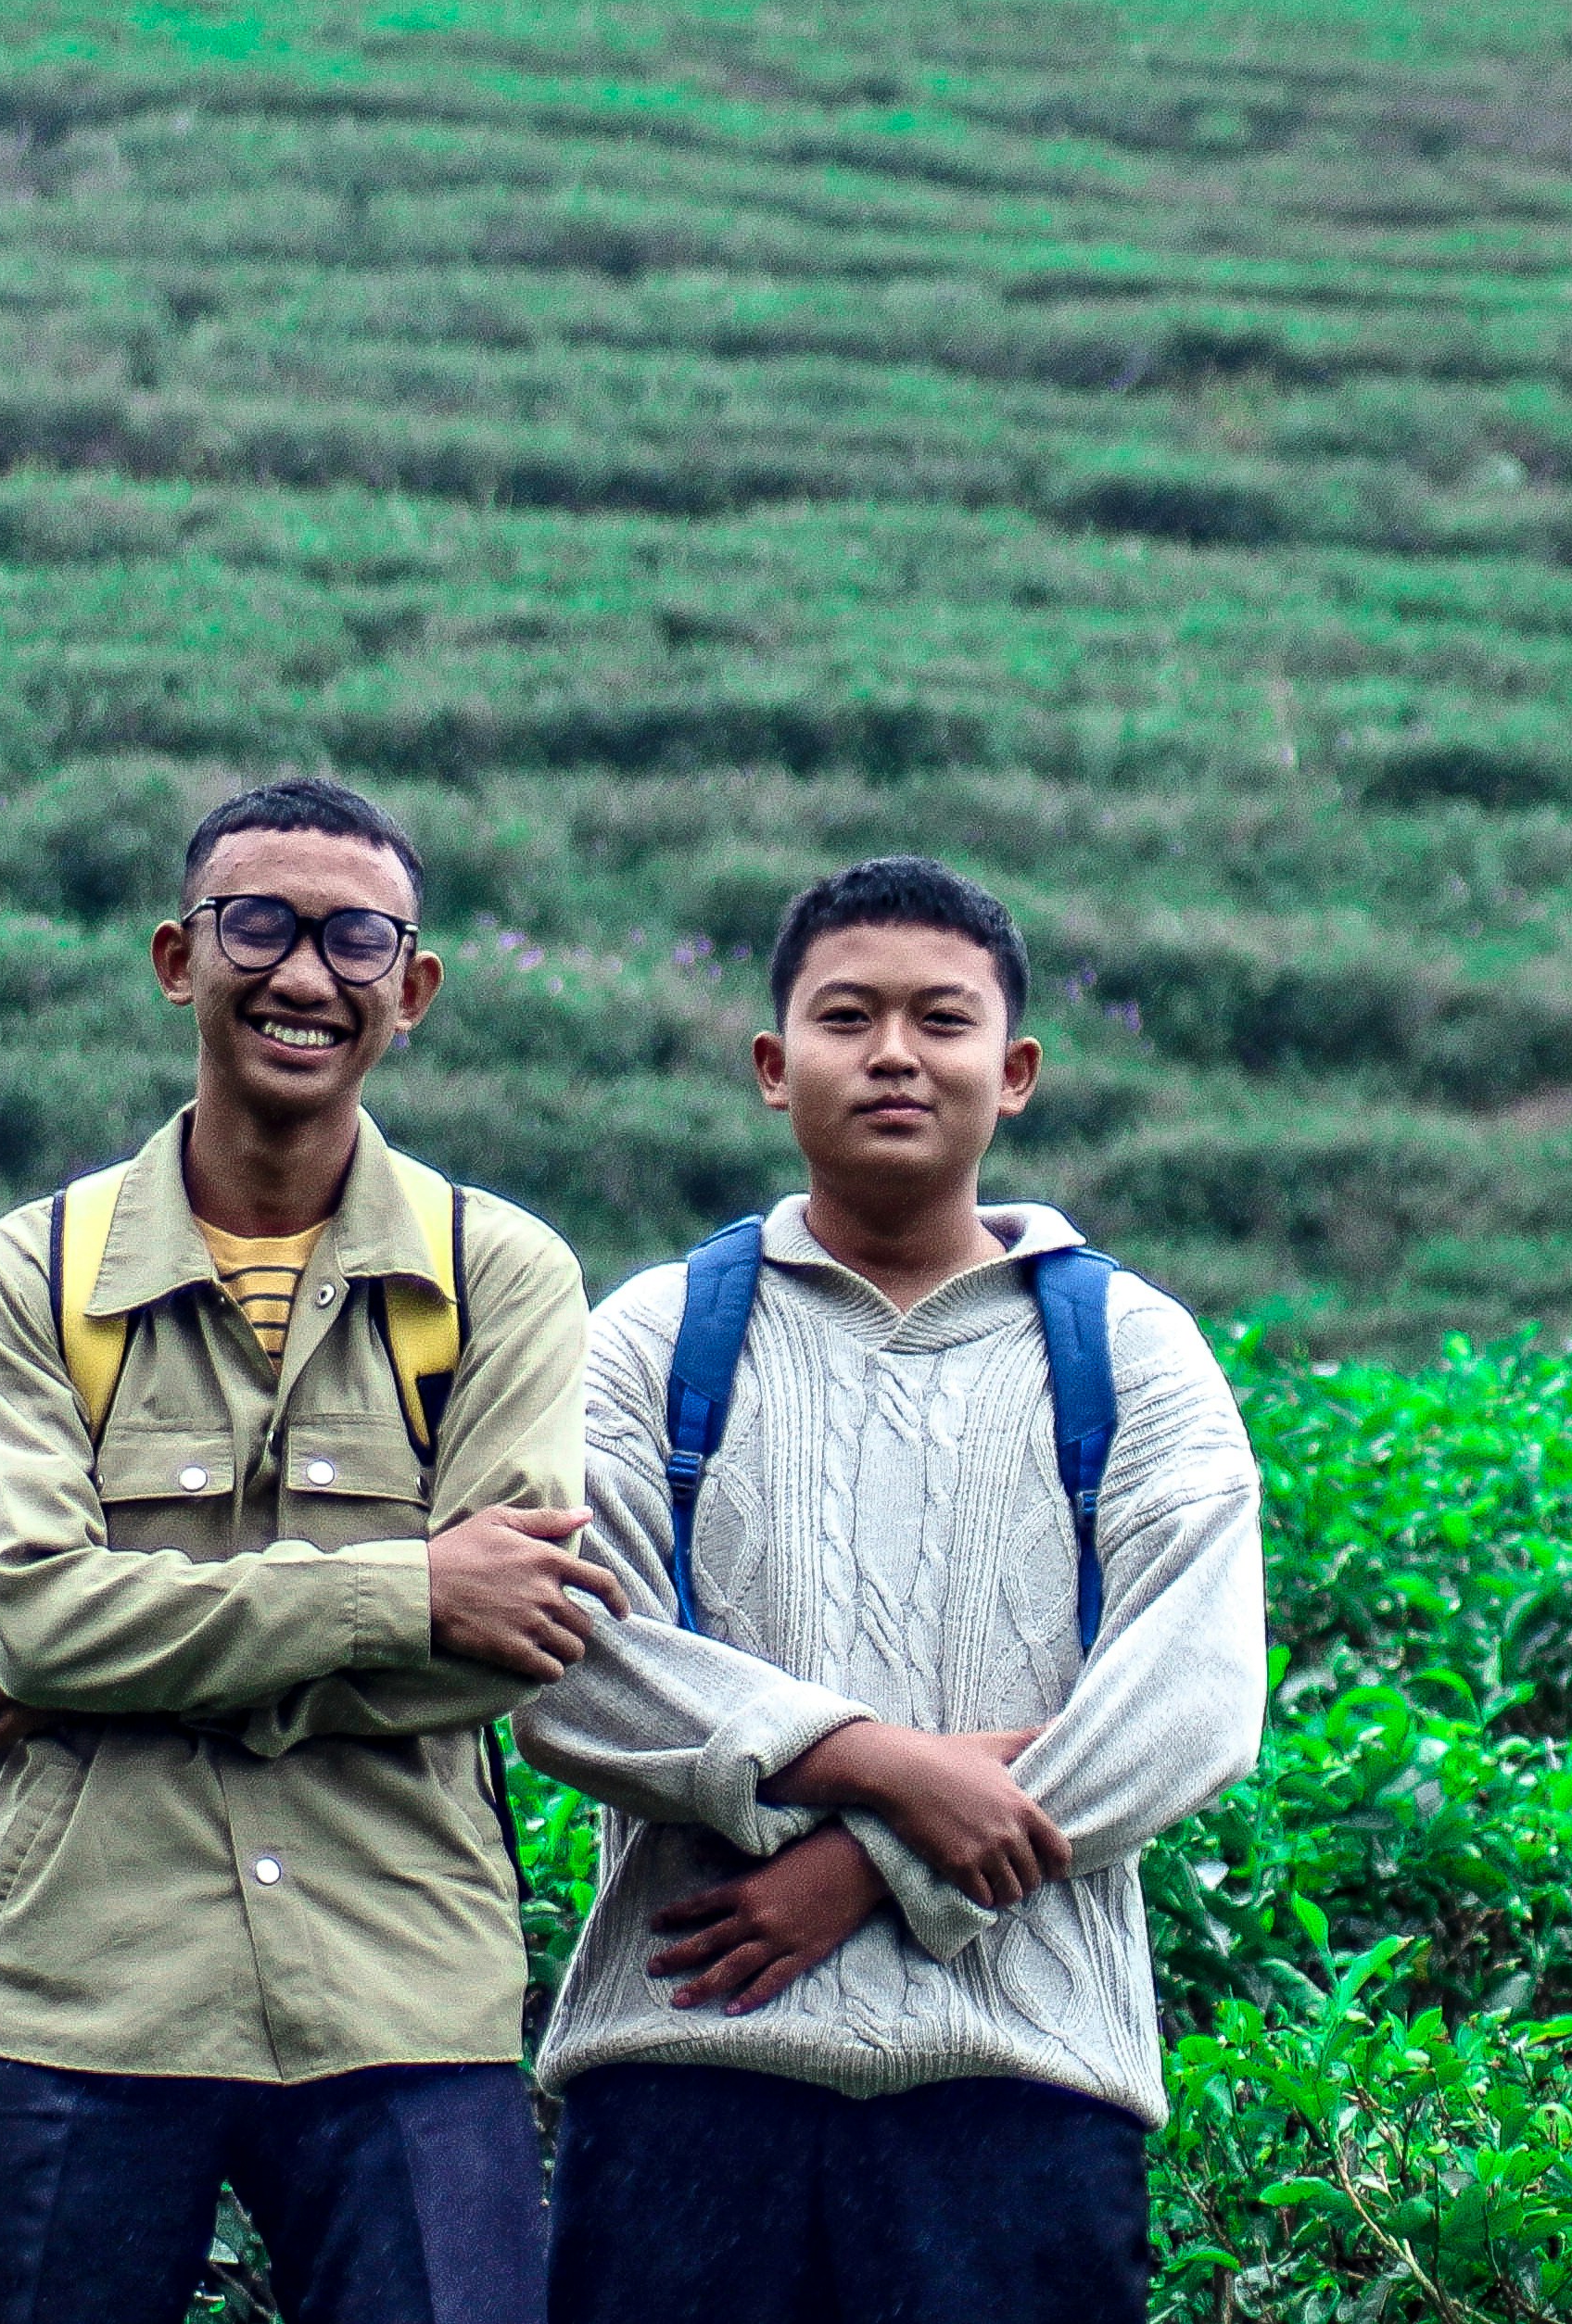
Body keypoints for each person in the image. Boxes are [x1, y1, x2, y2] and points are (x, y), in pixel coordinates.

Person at [513, 854, 1267, 2324]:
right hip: (689, 2078)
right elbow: (573, 1664)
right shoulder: (657, 1335)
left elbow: (1193, 1699)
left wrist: (864, 1865)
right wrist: (895, 1774)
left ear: (1019, 1069)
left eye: (945, 1020)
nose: (898, 1056)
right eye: (849, 1018)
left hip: (1025, 2093)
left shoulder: (1132, 1348)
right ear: (771, 1065)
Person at [0, 775, 610, 2324]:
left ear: (411, 988)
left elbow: (507, 1650)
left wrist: (123, 1668)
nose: (305, 976)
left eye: (357, 940)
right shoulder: (22, 1277)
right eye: (261, 928)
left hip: (404, 1985)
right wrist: (409, 1588)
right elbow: (35, 1621)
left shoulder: (498, 1274)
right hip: (88, 1991)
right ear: (181, 959)